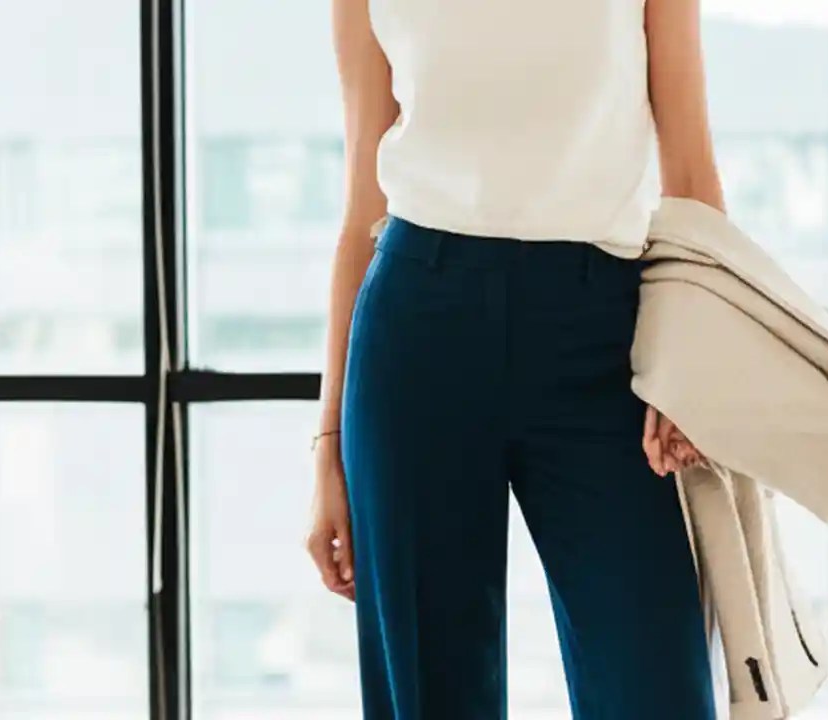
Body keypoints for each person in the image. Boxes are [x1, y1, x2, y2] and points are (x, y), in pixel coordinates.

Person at [306, 0, 727, 716]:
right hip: (418, 328)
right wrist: (327, 448)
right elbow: (359, 210)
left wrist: (691, 365)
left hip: (606, 343)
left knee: (656, 688)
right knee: (428, 692)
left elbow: (689, 167)